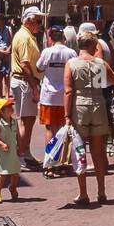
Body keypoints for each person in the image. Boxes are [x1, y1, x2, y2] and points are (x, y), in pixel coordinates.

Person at [64, 33, 114, 208]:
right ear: (94, 45)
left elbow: (68, 91)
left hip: (79, 108)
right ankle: (101, 191)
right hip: (98, 106)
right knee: (98, 153)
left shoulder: (71, 64)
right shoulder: (100, 64)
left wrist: (67, 115)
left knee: (79, 151)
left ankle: (83, 193)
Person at [36, 23, 76, 177]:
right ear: (64, 38)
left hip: (49, 97)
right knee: (65, 130)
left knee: (50, 129)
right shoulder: (71, 52)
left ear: (50, 38)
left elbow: (39, 68)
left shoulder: (47, 52)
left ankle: (50, 165)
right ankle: (65, 164)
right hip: (65, 96)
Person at [11, 7, 45, 169]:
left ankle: (25, 152)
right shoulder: (24, 37)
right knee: (25, 121)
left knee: (29, 120)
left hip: (26, 82)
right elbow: (24, 64)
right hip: (25, 82)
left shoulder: (27, 35)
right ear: (29, 20)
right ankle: (20, 156)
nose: (40, 24)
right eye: (38, 21)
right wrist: (34, 86)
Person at [0, 95, 20, 203]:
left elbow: (18, 135)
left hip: (12, 152)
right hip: (3, 153)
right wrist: (2, 144)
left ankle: (12, 186)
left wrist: (20, 146)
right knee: (3, 174)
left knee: (15, 173)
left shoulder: (14, 122)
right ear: (1, 112)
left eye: (11, 105)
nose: (11, 108)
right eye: (8, 107)